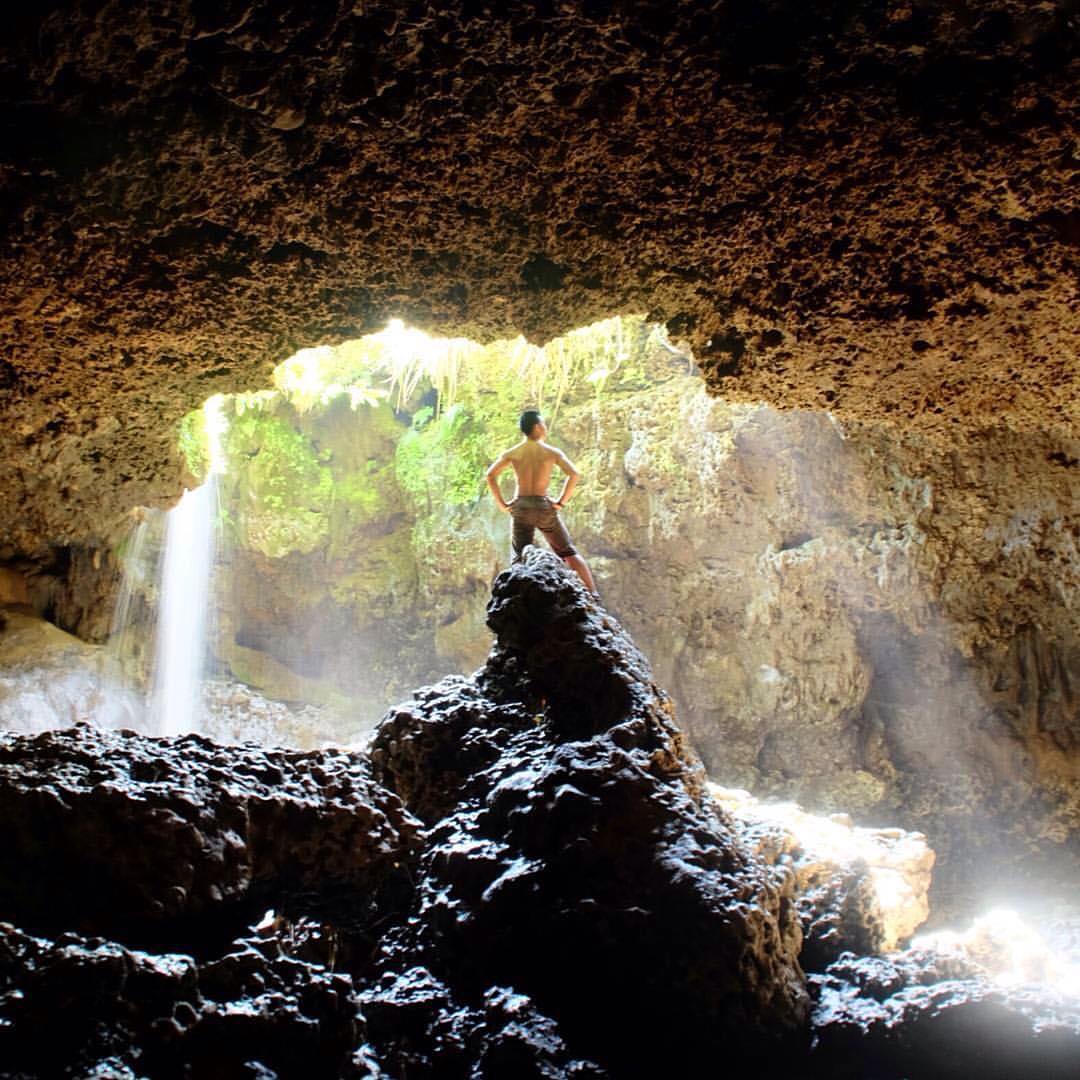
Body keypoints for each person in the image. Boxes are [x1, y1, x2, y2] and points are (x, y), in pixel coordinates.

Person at [485, 409, 598, 596]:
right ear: (537, 427)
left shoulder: (513, 453)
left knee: (519, 558)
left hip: (520, 507)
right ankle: (593, 594)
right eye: (543, 424)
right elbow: (574, 474)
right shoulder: (551, 452)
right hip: (543, 506)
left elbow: (490, 475)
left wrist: (502, 504)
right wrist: (561, 502)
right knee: (568, 553)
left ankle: (517, 598)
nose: (545, 427)